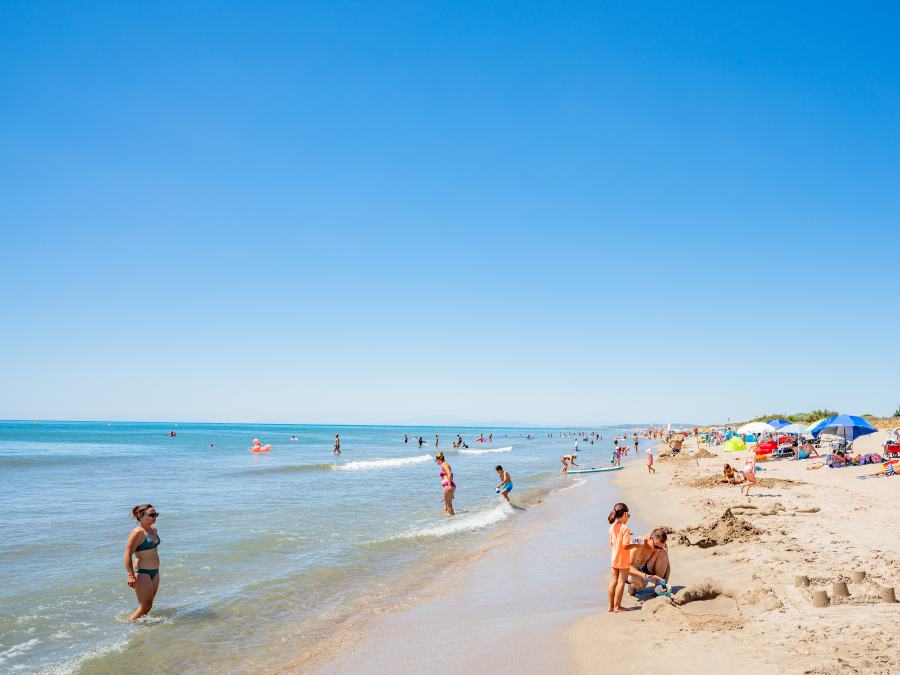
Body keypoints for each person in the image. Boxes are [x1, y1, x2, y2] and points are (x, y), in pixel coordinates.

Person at [124, 504, 161, 622]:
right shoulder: (137, 532)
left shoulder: (153, 530)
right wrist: (130, 575)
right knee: (143, 607)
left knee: (148, 606)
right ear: (140, 516)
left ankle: (143, 628)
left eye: (156, 514)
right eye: (152, 515)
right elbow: (127, 554)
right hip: (142, 572)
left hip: (155, 572)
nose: (155, 517)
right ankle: (129, 627)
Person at [608, 503, 641, 613]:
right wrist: (636, 544)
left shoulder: (611, 527)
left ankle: (611, 606)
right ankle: (618, 607)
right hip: (623, 558)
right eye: (628, 515)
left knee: (613, 581)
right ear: (625, 514)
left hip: (614, 557)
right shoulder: (625, 528)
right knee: (621, 582)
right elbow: (626, 546)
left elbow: (613, 543)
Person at [628, 528, 670, 593]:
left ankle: (658, 588)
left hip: (646, 566)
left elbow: (667, 567)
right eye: (656, 546)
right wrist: (645, 576)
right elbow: (627, 567)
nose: (657, 549)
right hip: (632, 570)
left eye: (660, 547)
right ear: (650, 538)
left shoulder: (661, 546)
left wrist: (664, 585)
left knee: (663, 552)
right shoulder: (638, 543)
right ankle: (631, 585)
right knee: (643, 584)